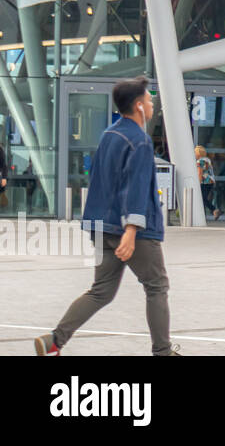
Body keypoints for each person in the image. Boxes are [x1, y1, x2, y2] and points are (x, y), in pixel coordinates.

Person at [36, 76, 179, 356]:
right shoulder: (140, 141)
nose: (151, 105)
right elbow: (135, 186)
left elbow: (100, 182)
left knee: (101, 290)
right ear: (139, 106)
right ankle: (162, 352)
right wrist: (132, 229)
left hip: (102, 226)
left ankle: (54, 340)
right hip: (132, 230)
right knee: (157, 286)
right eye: (149, 100)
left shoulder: (109, 135)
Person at [196, 145, 218, 220]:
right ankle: (204, 215)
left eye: (195, 153)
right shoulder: (207, 160)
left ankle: (214, 210)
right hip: (210, 181)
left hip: (204, 182)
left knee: (202, 199)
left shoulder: (199, 162)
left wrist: (198, 183)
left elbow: (200, 173)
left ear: (198, 154)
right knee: (203, 199)